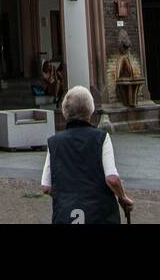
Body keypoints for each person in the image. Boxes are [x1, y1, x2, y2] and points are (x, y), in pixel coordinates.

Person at [41, 85, 133, 225]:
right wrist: (122, 197)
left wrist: (66, 196)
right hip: (100, 214)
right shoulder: (102, 138)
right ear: (91, 110)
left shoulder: (54, 143)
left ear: (65, 111)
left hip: (65, 215)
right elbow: (112, 179)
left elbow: (46, 187)